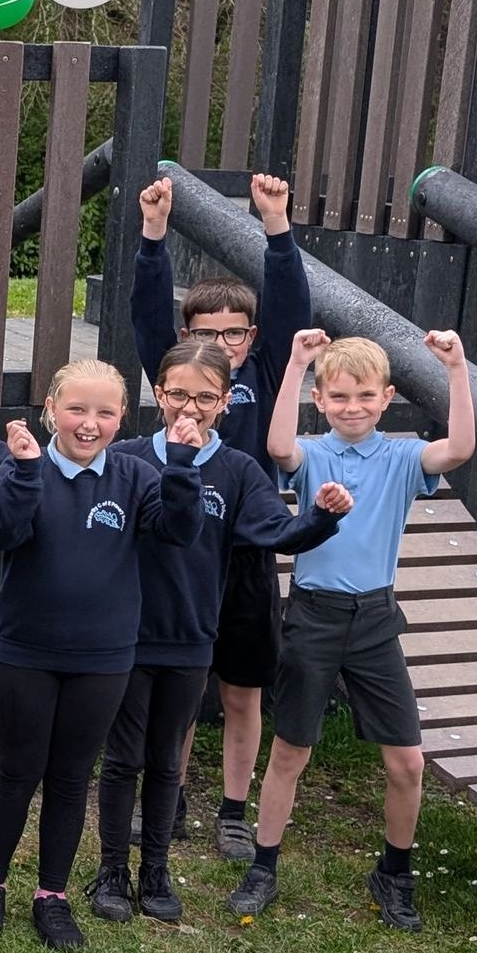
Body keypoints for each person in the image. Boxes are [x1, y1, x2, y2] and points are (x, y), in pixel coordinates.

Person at [89, 341, 350, 924]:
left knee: (165, 760)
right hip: (124, 637)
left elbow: (278, 533)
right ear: (157, 393)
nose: (191, 406)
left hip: (190, 638)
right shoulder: (128, 457)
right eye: (178, 393)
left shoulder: (237, 470)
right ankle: (111, 870)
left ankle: (155, 872)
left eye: (206, 396)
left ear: (226, 402)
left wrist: (323, 516)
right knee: (122, 757)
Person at [0, 360, 203, 950]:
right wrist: (20, 473)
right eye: (77, 409)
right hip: (25, 650)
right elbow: (0, 532)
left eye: (104, 412)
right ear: (50, 409)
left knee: (71, 779)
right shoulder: (26, 466)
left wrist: (181, 469)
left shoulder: (136, 477)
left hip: (104, 657)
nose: (88, 424)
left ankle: (52, 895)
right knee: (17, 772)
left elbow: (177, 531)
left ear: (123, 420)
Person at [241, 329, 475, 928]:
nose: (353, 407)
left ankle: (394, 872)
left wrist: (455, 368)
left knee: (408, 762)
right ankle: (263, 865)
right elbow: (277, 445)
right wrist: (295, 364)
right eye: (340, 397)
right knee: (291, 749)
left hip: (374, 620)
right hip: (313, 616)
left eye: (366, 397)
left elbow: (460, 450)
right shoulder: (313, 453)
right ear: (321, 400)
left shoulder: (401, 457)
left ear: (387, 397)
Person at [131, 172, 311, 862]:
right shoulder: (175, 374)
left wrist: (277, 227)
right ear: (185, 339)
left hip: (243, 560)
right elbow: (148, 314)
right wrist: (153, 235)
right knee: (176, 688)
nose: (222, 344)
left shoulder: (258, 377)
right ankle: (167, 791)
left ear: (252, 338)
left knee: (241, 691)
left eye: (235, 333)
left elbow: (293, 304)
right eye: (207, 332)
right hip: (176, 553)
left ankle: (234, 808)